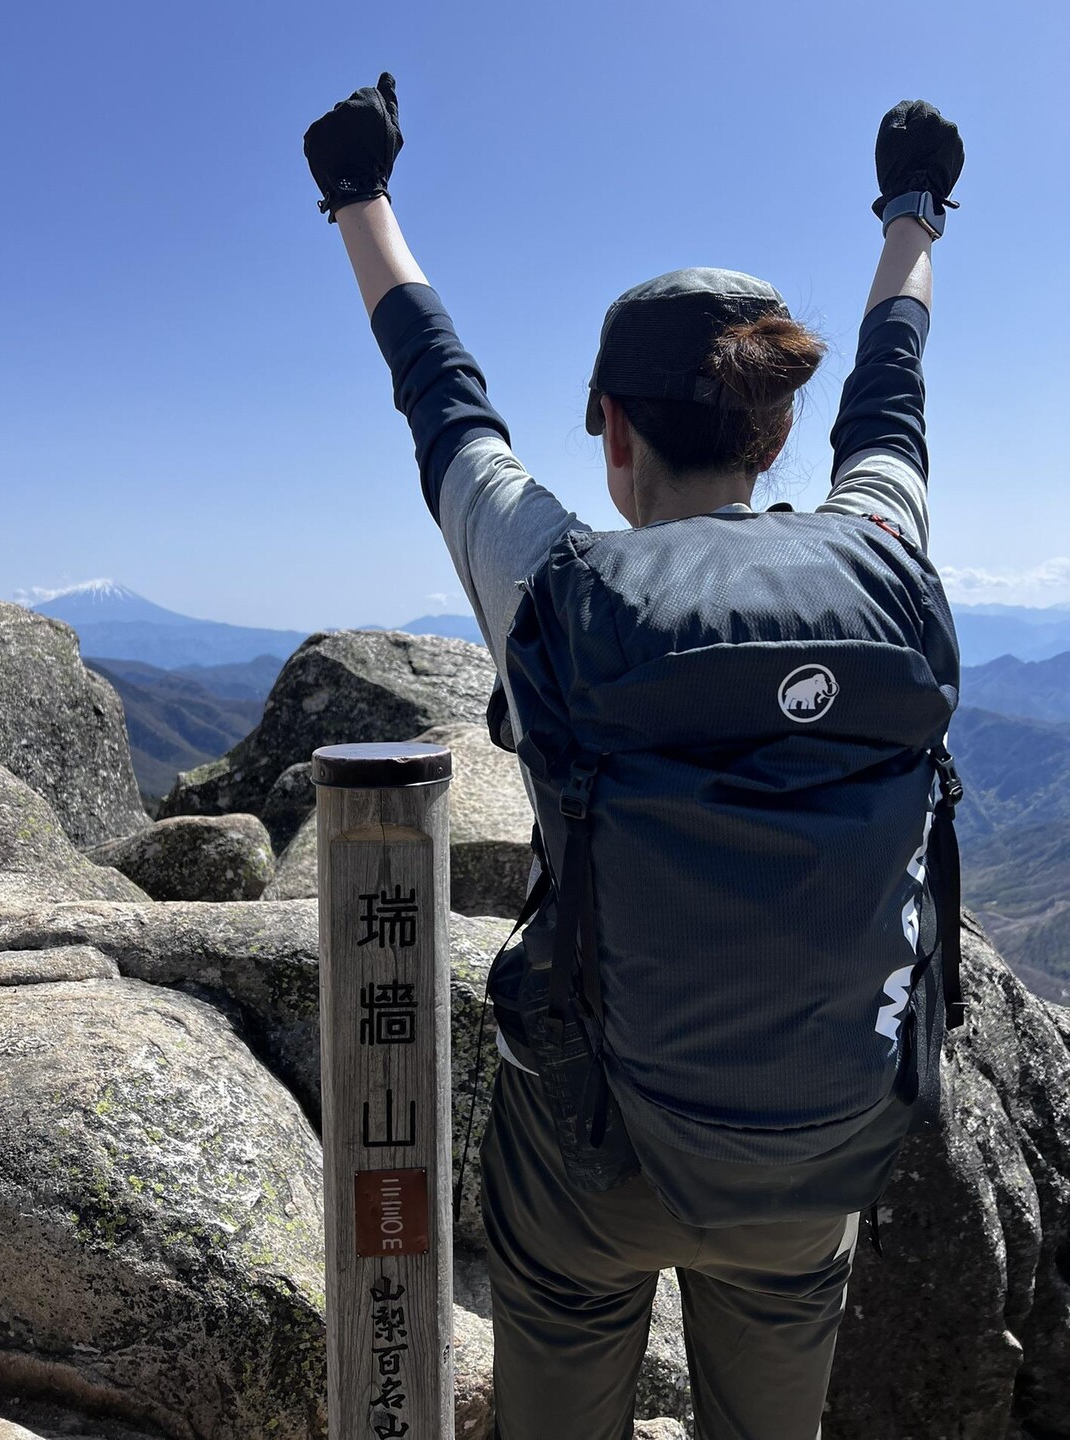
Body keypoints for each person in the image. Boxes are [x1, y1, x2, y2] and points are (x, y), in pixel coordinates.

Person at [304, 83, 965, 1440]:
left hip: (593, 1153)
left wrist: (360, 197)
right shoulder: (887, 566)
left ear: (610, 429)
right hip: (818, 1147)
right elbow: (890, 396)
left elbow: (446, 406)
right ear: (774, 427)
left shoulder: (557, 589)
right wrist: (914, 211)